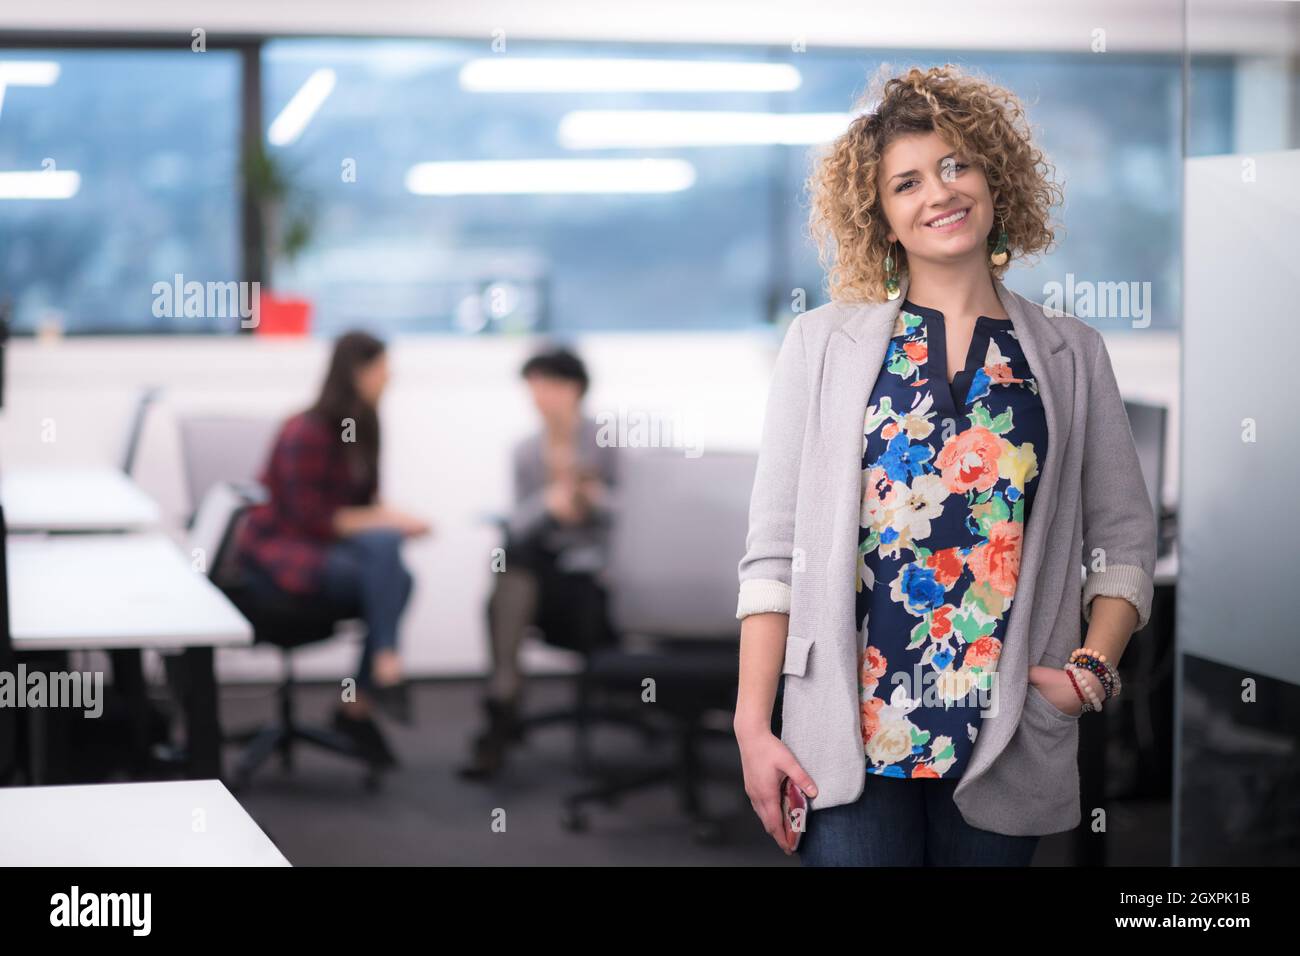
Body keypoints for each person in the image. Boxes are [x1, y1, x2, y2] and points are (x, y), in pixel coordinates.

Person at [733, 64, 1157, 866]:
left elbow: (1125, 541)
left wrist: (1092, 670)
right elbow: (772, 556)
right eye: (908, 183)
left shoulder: (1071, 353)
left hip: (1002, 728)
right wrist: (754, 724)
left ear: (995, 180)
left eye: (956, 165)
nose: (939, 192)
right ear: (884, 216)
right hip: (846, 725)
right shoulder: (821, 346)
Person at [234, 330, 431, 763]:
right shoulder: (305, 430)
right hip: (283, 556)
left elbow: (364, 503)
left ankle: (373, 677)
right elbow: (313, 520)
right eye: (382, 369)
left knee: (389, 555)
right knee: (392, 567)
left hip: (334, 552)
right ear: (357, 373)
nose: (390, 377)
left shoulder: (367, 425)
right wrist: (387, 522)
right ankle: (367, 689)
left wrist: (399, 518)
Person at [458, 345, 618, 780]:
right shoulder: (526, 451)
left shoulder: (608, 440)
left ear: (575, 389)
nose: (540, 397)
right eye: (534, 387)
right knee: (512, 558)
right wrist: (549, 504)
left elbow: (636, 516)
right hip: (542, 572)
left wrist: (591, 499)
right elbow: (516, 523)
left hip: (595, 575)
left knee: (519, 569)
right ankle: (503, 694)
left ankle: (502, 705)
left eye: (550, 386)